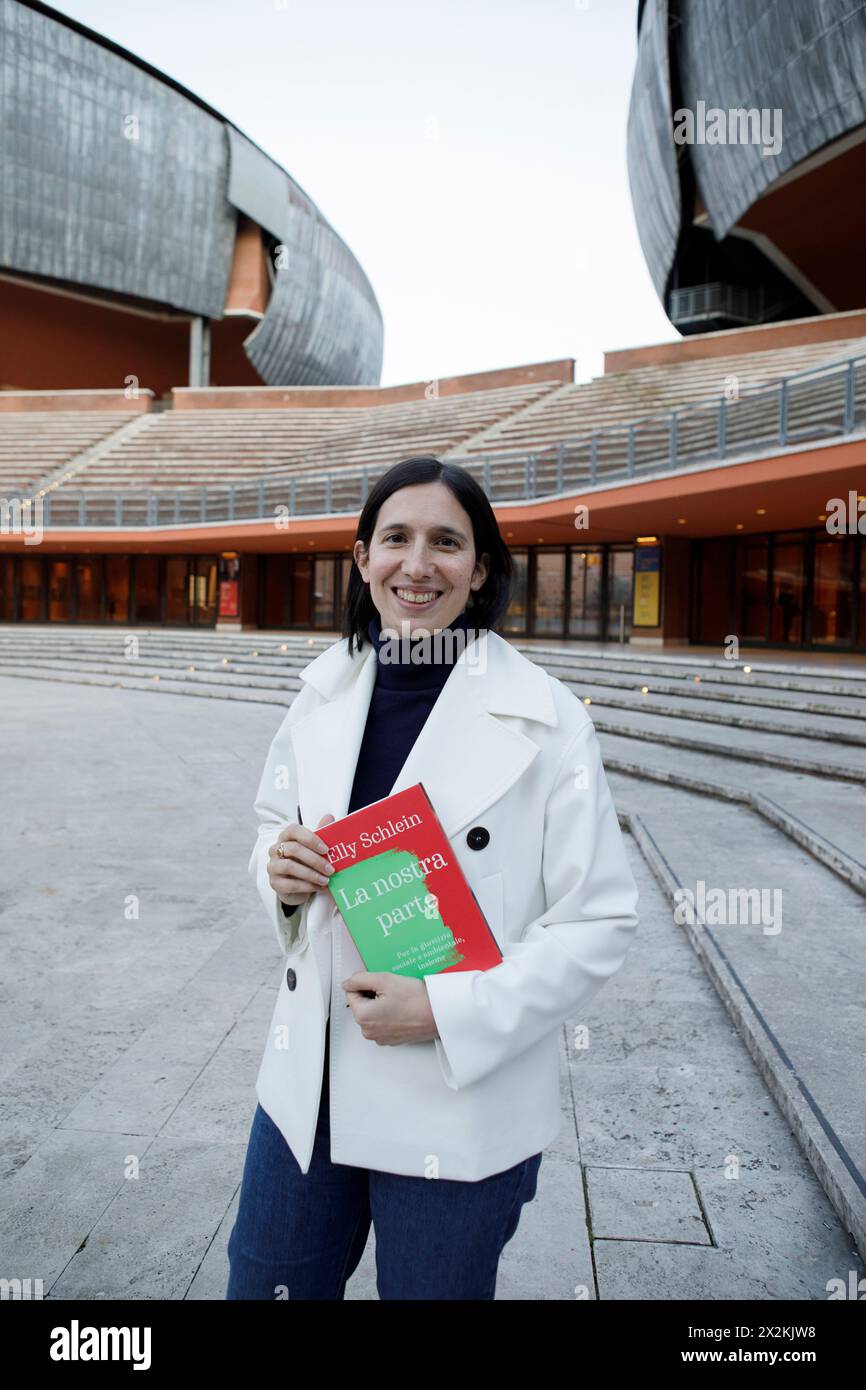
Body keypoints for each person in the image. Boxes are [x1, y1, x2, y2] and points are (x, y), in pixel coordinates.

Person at [225, 454, 639, 1300]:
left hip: (455, 1092)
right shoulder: (324, 691)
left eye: (446, 542)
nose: (418, 566)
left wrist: (447, 1011)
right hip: (310, 1084)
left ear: (481, 567)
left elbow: (598, 921)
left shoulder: (548, 718)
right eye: (396, 539)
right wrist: (280, 871)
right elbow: (273, 825)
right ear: (362, 557)